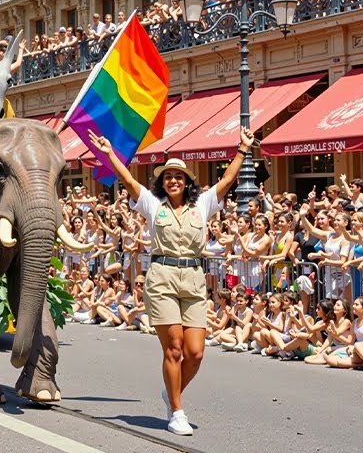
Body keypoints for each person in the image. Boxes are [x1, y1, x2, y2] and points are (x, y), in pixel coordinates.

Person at [90, 125, 255, 437]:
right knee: (174, 348)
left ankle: (171, 392)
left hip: (193, 279)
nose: (173, 180)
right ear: (162, 182)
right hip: (162, 278)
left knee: (196, 353)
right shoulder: (153, 205)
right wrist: (110, 154)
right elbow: (128, 181)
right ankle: (177, 411)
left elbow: (227, 181)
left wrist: (243, 150)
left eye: (179, 176)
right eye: (168, 177)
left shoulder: (202, 204)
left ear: (187, 182)